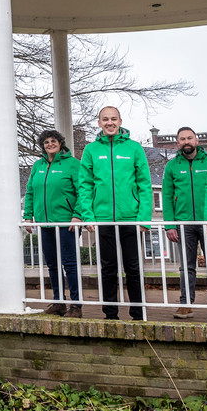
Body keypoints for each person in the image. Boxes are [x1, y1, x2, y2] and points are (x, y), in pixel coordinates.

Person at [76, 107, 150, 321]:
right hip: (103, 220)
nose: (110, 122)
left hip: (131, 219)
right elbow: (85, 186)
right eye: (105, 119)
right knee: (108, 268)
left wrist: (144, 217)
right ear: (99, 123)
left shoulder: (134, 148)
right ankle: (110, 314)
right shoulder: (90, 150)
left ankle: (138, 313)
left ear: (120, 121)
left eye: (113, 119)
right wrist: (88, 217)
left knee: (133, 268)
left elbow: (145, 184)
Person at [162, 127, 207, 320]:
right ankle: (186, 303)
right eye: (182, 139)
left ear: (196, 140)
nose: (186, 141)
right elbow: (167, 198)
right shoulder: (171, 166)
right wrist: (169, 225)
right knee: (186, 266)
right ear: (178, 143)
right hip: (183, 223)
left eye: (189, 138)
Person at [23, 129, 82, 318]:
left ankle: (76, 304)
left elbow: (82, 192)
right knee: (52, 264)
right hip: (44, 223)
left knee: (70, 263)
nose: (50, 144)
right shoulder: (37, 166)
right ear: (43, 145)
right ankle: (58, 302)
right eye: (46, 142)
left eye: (53, 141)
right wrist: (28, 216)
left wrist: (77, 215)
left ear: (60, 143)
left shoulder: (73, 164)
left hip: (66, 223)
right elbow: (30, 192)